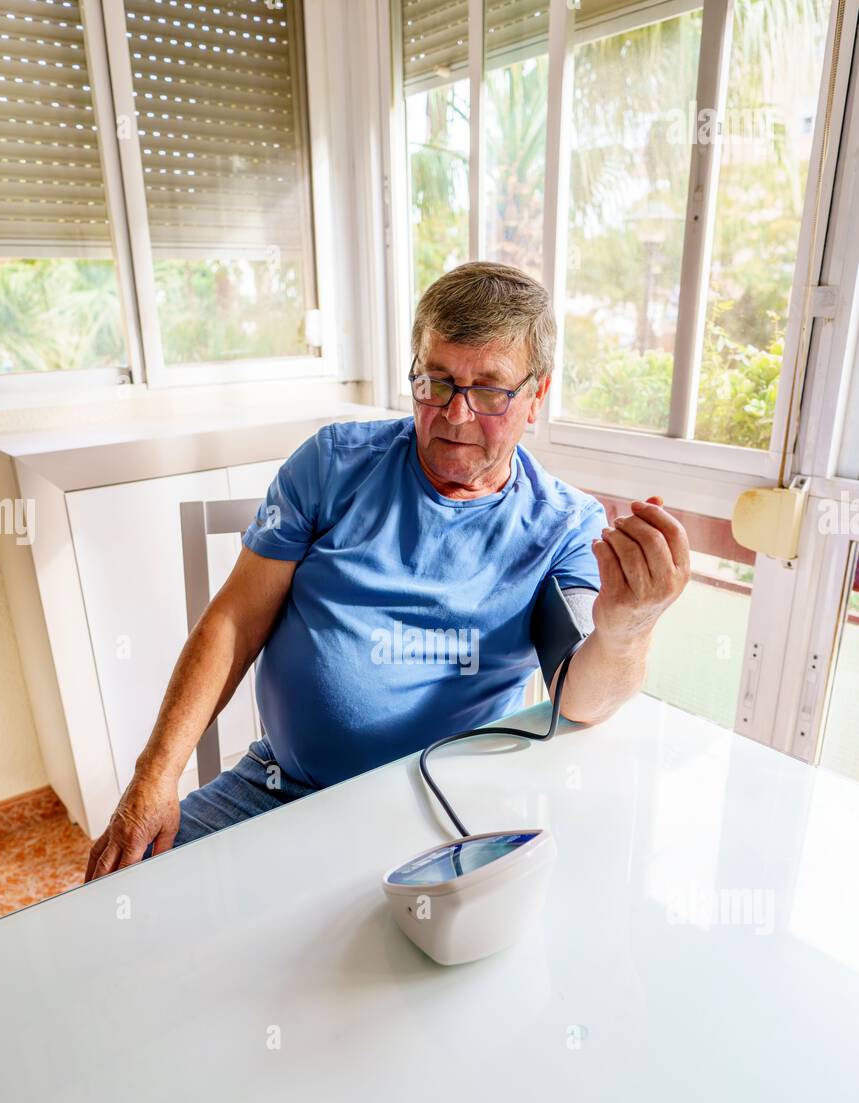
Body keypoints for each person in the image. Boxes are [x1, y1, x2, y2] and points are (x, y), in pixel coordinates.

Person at [85, 261, 690, 881]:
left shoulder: (563, 526)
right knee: (121, 897)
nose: (455, 415)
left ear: (536, 397)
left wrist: (628, 628)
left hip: (443, 812)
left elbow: (579, 701)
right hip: (275, 787)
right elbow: (235, 621)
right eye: (437, 381)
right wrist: (154, 775)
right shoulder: (331, 464)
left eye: (488, 390)